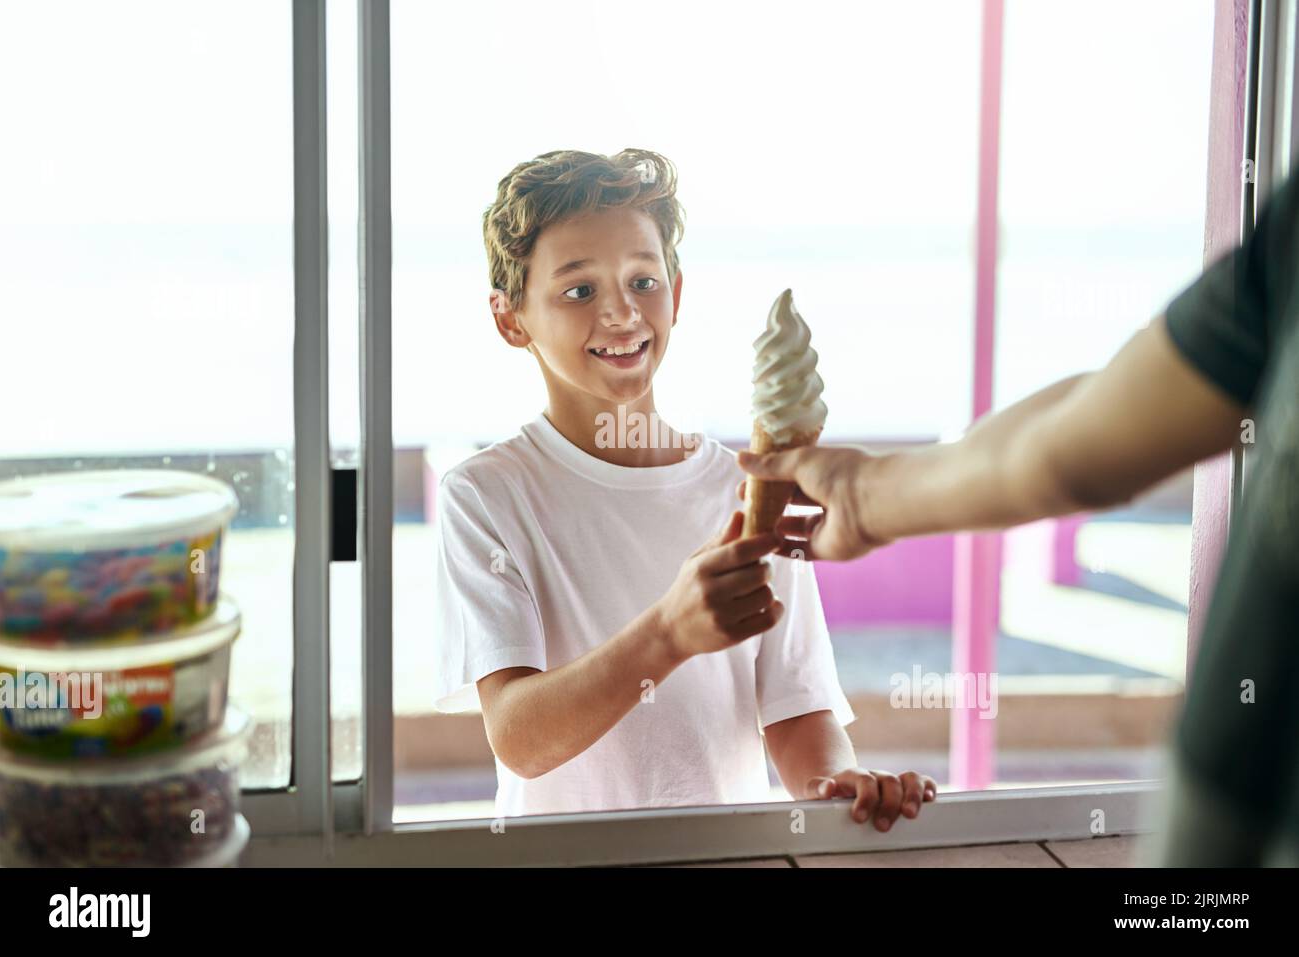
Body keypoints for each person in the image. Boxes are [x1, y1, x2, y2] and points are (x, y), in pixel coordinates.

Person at [738, 170, 1299, 865]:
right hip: (1222, 804)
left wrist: (868, 496)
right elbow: (1088, 433)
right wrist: (865, 497)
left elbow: (1077, 445)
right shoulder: (1289, 238)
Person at [429, 148, 937, 826]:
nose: (620, 314)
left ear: (677, 289)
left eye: (643, 281)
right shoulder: (487, 496)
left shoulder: (750, 488)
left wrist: (836, 783)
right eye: (580, 291)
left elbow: (797, 708)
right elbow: (520, 737)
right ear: (510, 318)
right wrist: (670, 630)